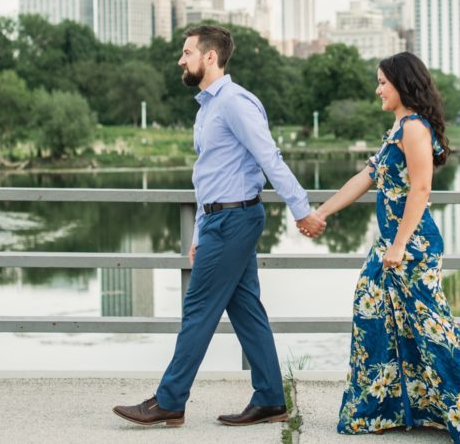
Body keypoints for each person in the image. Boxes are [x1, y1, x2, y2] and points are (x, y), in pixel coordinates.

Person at [113, 25, 326, 428]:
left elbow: (269, 157)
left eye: (188, 52)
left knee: (197, 309)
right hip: (220, 220)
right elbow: (207, 175)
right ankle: (270, 398)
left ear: (210, 57)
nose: (181, 59)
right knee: (246, 309)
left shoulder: (234, 102)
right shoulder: (208, 106)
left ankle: (169, 401)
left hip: (234, 220)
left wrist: (302, 209)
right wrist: (198, 232)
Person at [309, 52, 460, 442]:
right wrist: (322, 213)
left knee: (434, 331)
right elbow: (364, 178)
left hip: (412, 248)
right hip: (390, 245)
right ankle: (383, 411)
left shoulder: (414, 127)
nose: (377, 89)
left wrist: (399, 246)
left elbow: (420, 189)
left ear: (402, 84)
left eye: (383, 82)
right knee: (373, 313)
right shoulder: (397, 128)